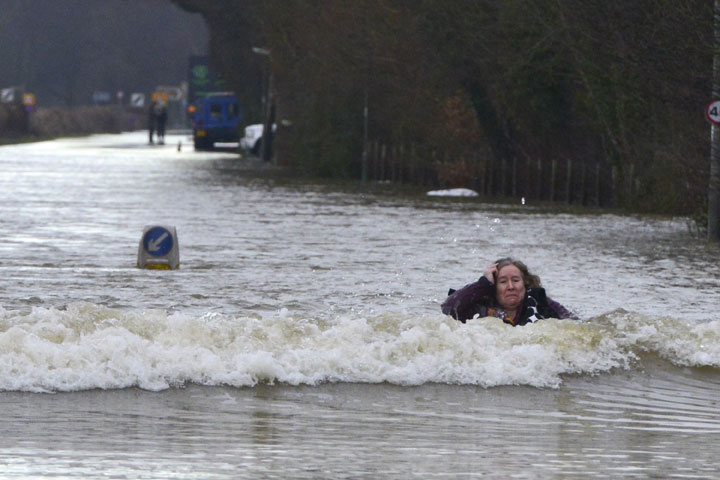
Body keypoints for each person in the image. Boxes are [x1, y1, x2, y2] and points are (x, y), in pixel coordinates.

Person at [441, 257, 575, 326]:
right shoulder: (479, 305)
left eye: (516, 280)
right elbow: (449, 308)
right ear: (494, 286)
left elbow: (574, 324)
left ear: (525, 284)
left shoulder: (540, 303)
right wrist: (483, 283)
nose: (511, 286)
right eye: (503, 282)